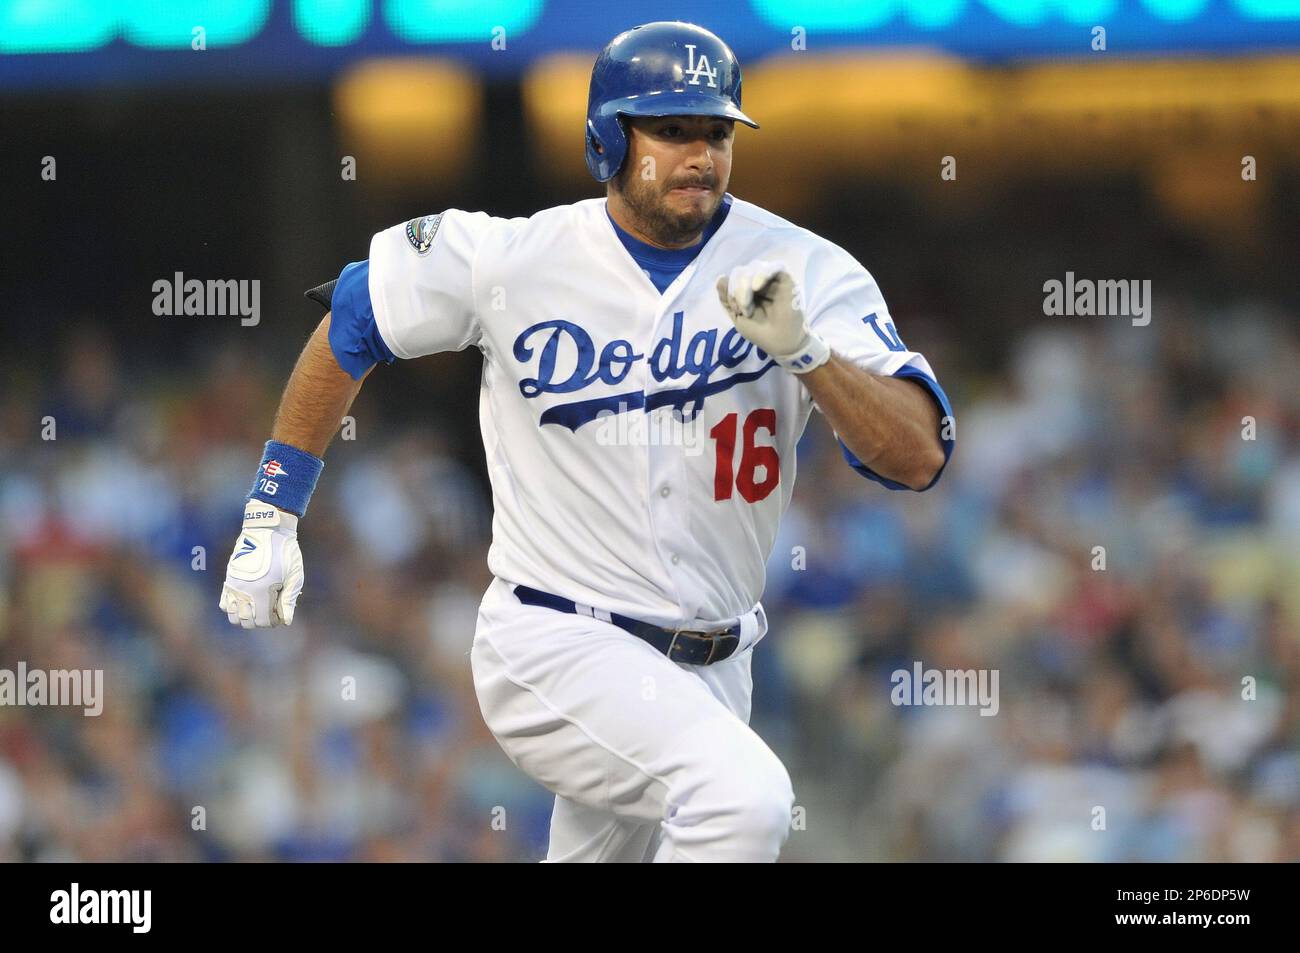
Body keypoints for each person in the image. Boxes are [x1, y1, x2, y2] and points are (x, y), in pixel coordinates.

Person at [219, 20, 954, 862]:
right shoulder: (517, 258)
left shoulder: (802, 268)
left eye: (716, 131)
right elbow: (354, 319)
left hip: (717, 661)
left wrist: (807, 352)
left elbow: (918, 454)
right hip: (555, 638)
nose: (700, 154)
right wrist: (273, 512)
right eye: (671, 129)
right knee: (741, 800)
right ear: (608, 137)